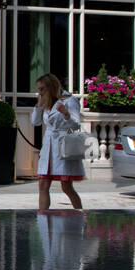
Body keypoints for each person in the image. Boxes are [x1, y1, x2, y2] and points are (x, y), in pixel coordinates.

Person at [31, 72, 84, 212]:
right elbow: (35, 122)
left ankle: (80, 214)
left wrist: (66, 114)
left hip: (63, 144)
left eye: (42, 89)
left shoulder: (69, 100)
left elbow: (76, 125)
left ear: (50, 87)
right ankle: (42, 219)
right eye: (38, 90)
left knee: (66, 186)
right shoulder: (46, 101)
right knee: (42, 184)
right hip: (48, 145)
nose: (40, 93)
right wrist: (38, 106)